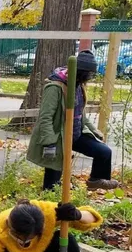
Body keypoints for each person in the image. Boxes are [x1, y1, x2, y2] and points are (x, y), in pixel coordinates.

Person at [28, 50, 119, 191]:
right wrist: (50, 142)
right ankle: (49, 200)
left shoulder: (78, 85)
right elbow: (45, 117)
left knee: (104, 152)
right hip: (59, 137)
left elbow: (80, 114)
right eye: (88, 74)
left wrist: (94, 130)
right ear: (80, 72)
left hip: (76, 134)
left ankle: (96, 180)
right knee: (53, 180)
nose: (90, 78)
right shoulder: (55, 87)